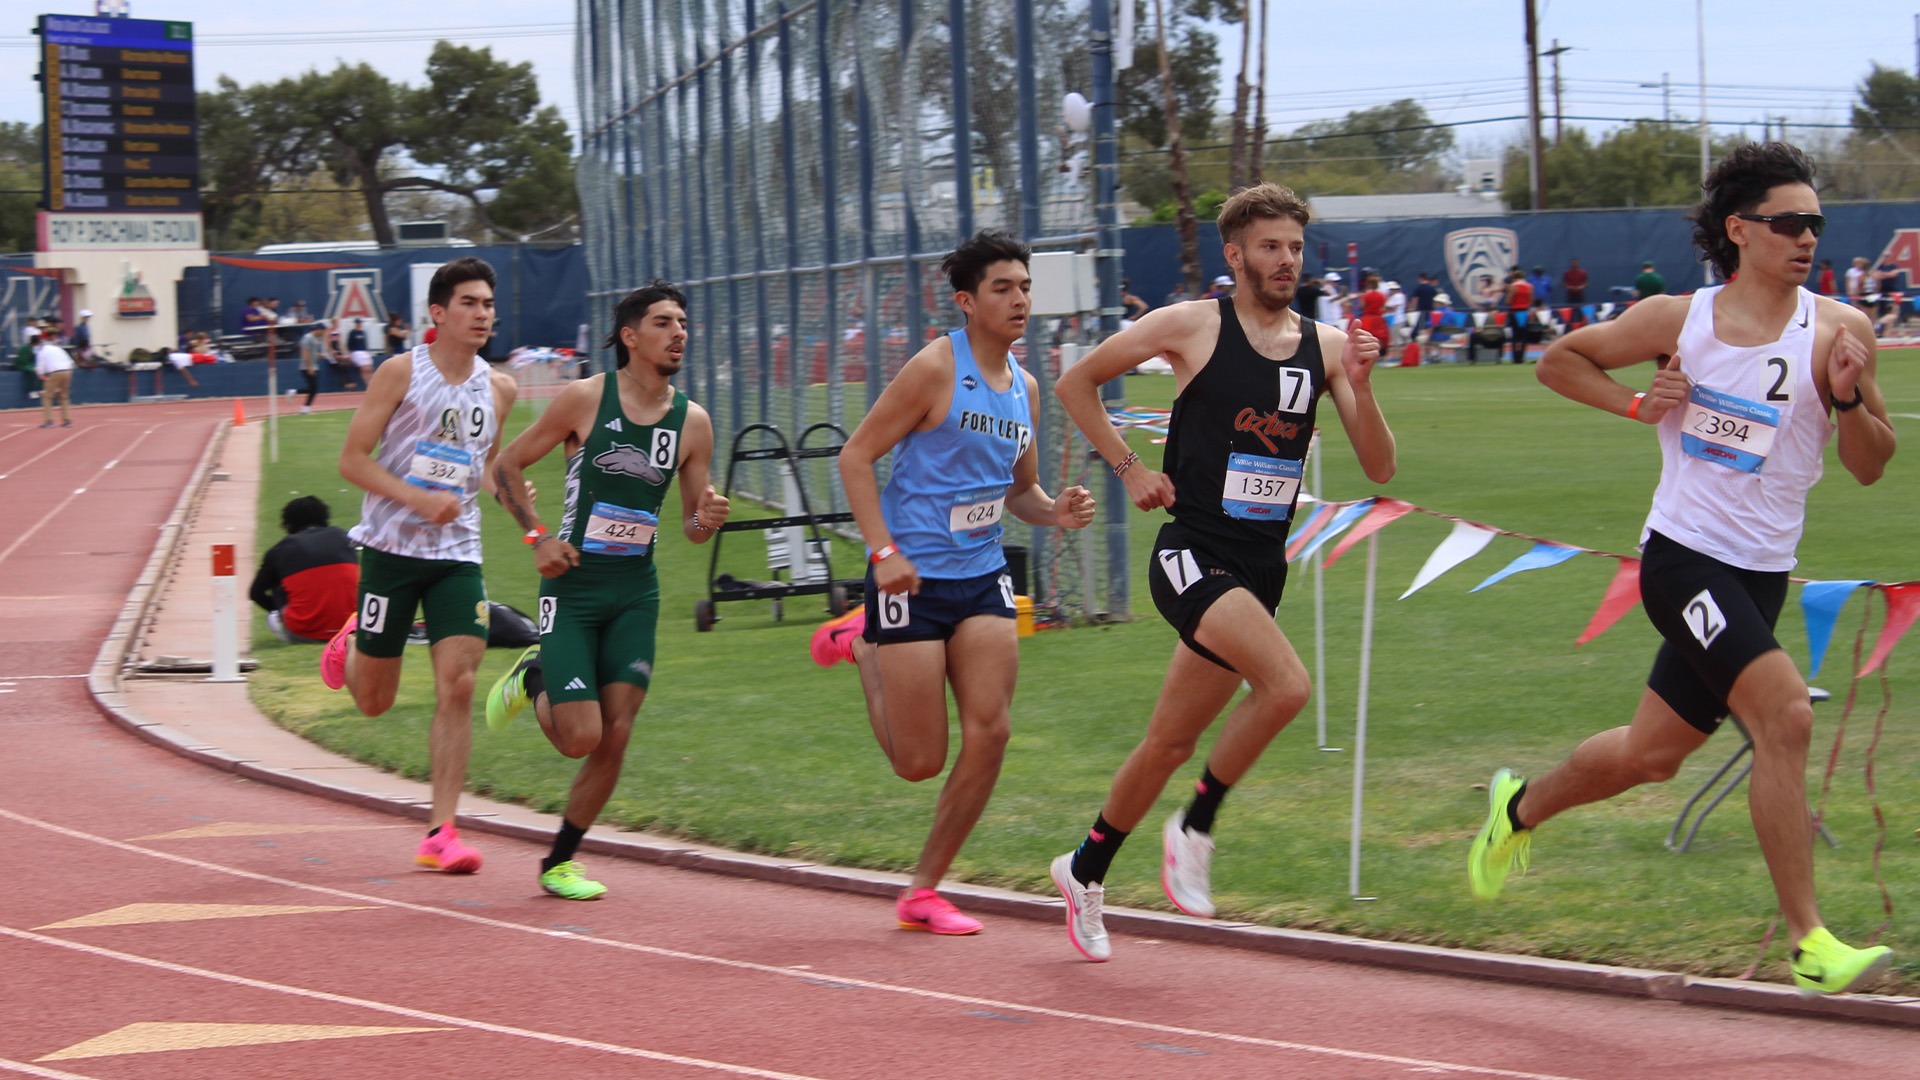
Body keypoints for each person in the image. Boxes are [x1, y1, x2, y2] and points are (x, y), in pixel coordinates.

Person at [1482, 142, 1897, 996]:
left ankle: (1515, 809)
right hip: (1682, 559)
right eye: (1789, 222)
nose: (1807, 237)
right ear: (1741, 230)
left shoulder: (1841, 330)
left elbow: (1871, 464)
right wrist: (1638, 403)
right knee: (1783, 714)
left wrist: (1850, 400)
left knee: (1652, 755)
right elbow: (1560, 359)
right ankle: (1810, 941)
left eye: (1815, 223)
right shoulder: (1682, 318)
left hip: (1762, 573)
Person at [1046, 183, 1395, 962]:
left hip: (1260, 563)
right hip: (1191, 551)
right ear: (1234, 254)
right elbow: (1077, 382)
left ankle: (1084, 867)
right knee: (1289, 687)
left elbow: (1380, 464)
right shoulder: (1191, 326)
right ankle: (1196, 825)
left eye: (1296, 248)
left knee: (1167, 742)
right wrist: (1131, 468)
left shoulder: (1330, 346)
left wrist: (1363, 390)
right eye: (1270, 247)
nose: (1286, 261)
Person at [828, 230, 1097, 935]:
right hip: (909, 579)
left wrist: (1056, 514)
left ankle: (924, 889)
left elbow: (1022, 492)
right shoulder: (933, 369)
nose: (1019, 300)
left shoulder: (1027, 390)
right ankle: (863, 649)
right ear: (967, 301)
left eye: (1026, 287)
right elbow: (856, 458)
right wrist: (882, 551)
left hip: (982, 575)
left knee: (993, 731)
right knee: (919, 762)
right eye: (1003, 288)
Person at [482, 280, 731, 902]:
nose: (679, 333)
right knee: (581, 738)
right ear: (630, 337)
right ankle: (535, 676)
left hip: (635, 592)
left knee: (617, 731)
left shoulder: (692, 422)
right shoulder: (584, 399)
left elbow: (693, 530)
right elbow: (506, 465)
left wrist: (708, 518)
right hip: (572, 585)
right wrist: (538, 536)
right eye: (663, 323)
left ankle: (559, 862)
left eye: (682, 322)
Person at [319, 256, 521, 874]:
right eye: (469, 303)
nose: (482, 313)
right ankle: (353, 642)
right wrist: (415, 498)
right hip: (389, 550)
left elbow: (481, 465)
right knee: (374, 702)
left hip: (457, 554)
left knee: (457, 684)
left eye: (488, 303)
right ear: (438, 313)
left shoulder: (501, 388)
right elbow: (353, 461)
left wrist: (516, 504)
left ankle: (441, 832)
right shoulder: (399, 373)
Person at [251, 496, 359, 643]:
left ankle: (286, 618)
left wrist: (277, 609)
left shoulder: (279, 550)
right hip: (352, 629)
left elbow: (256, 593)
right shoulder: (344, 538)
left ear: (288, 526)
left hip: (304, 633)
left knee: (281, 587)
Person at [35, 331, 75, 428]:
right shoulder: (58, 348)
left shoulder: (42, 351)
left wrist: (41, 376)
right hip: (67, 370)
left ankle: (49, 421)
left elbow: (40, 367)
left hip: (55, 372)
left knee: (47, 397)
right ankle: (67, 420)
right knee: (64, 396)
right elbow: (71, 362)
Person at [297, 322, 332, 410]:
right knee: (314, 388)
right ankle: (305, 408)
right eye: (323, 330)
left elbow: (312, 352)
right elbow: (305, 354)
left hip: (314, 366)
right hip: (307, 367)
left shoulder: (316, 339)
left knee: (313, 388)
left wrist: (319, 355)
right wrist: (309, 367)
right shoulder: (307, 338)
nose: (324, 332)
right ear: (318, 329)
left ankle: (301, 401)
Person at [1504, 269, 1536, 364]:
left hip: (1515, 311)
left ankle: (1515, 358)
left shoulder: (1513, 286)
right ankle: (1522, 357)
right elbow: (1531, 301)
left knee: (1515, 336)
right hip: (1525, 312)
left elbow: (1508, 301)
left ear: (1514, 278)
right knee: (1523, 336)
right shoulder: (1530, 286)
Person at [1407, 273, 1439, 344]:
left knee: (1420, 328)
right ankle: (1429, 341)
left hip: (1423, 311)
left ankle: (1415, 340)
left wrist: (1411, 308)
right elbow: (1436, 300)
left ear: (1421, 278)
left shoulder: (1419, 288)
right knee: (1430, 327)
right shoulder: (1432, 289)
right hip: (1431, 311)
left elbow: (1414, 299)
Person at [14, 324, 42, 402]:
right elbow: (22, 361)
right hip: (23, 365)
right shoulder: (24, 348)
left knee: (41, 370)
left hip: (32, 364)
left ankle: (41, 389)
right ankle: (32, 391)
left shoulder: (36, 347)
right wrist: (32, 367)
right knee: (32, 371)